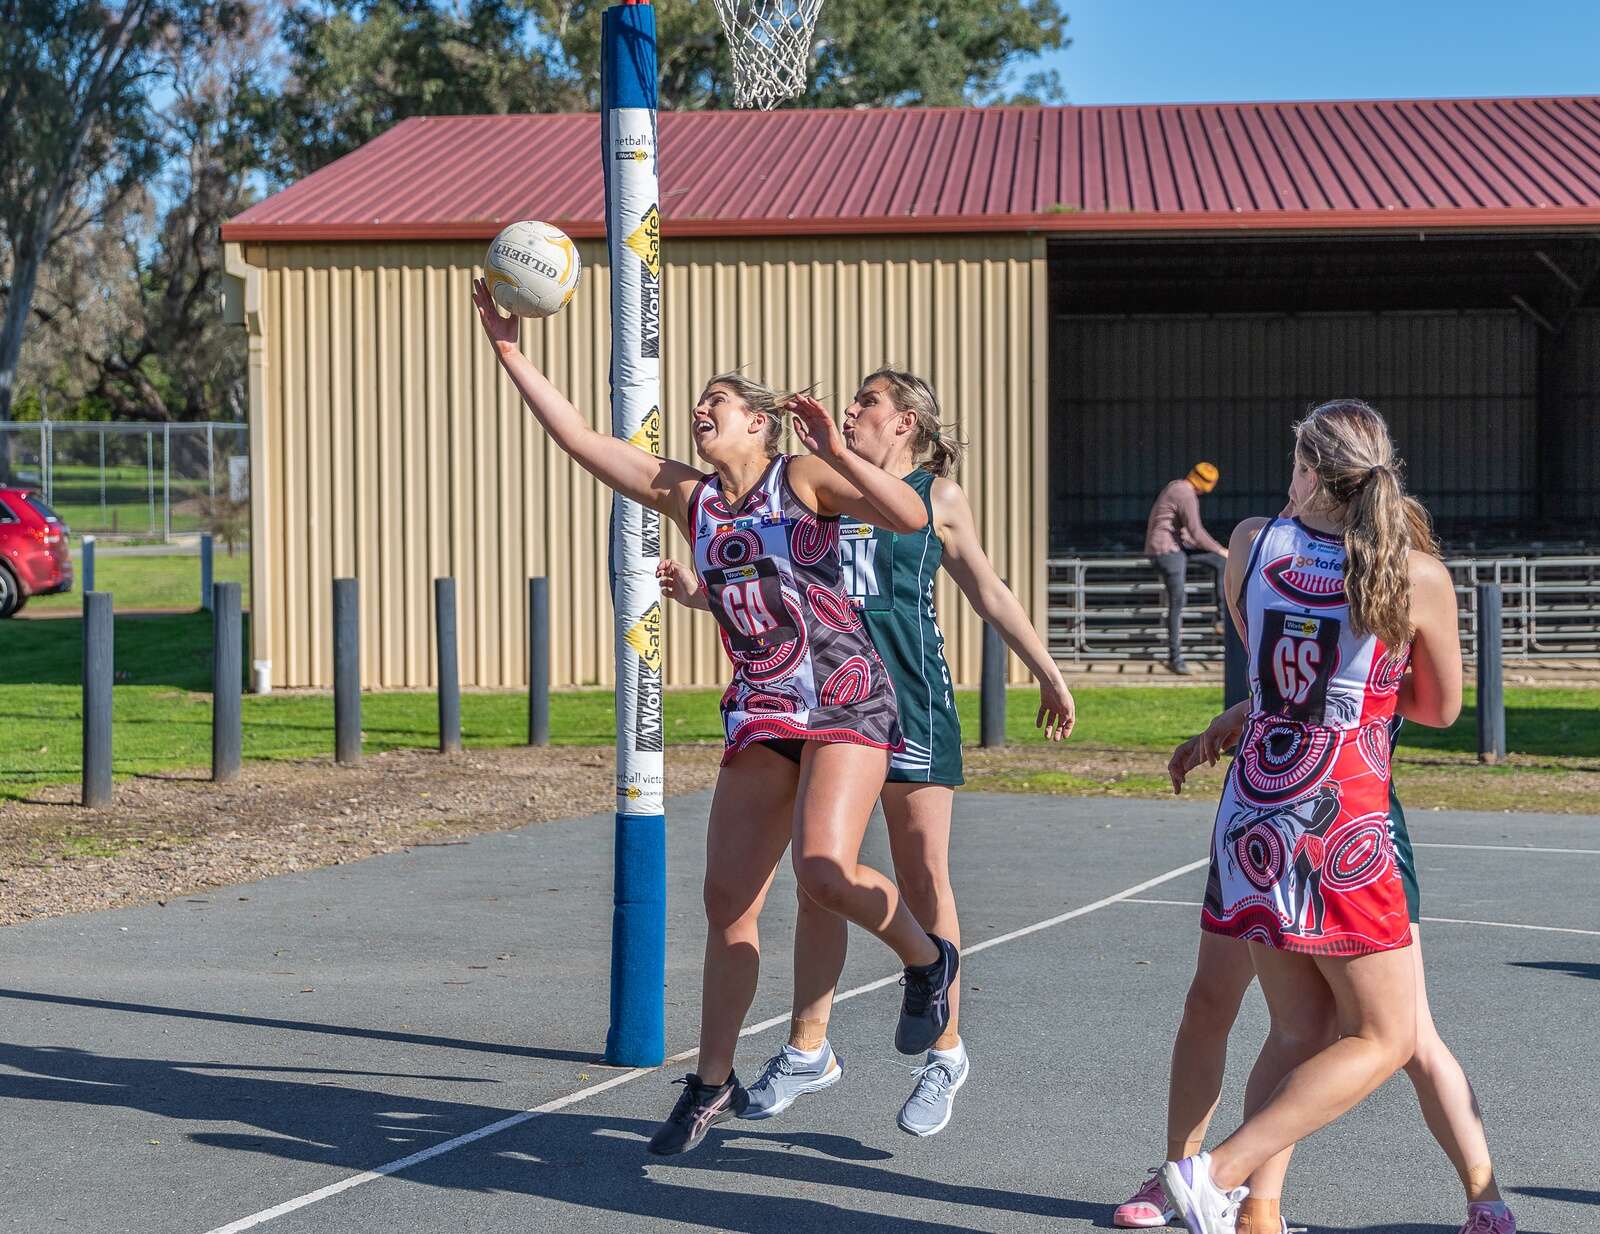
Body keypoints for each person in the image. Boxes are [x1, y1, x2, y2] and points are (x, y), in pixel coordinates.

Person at [471, 281, 960, 1159]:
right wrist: (510, 350)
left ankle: (926, 959)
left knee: (824, 867)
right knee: (727, 905)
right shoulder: (690, 496)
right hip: (765, 708)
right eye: (700, 403)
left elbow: (910, 513)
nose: (701, 410)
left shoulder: (803, 475)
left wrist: (835, 453)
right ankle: (711, 1082)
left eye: (719, 403)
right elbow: (582, 440)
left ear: (760, 424)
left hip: (847, 696)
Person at [659, 369, 1076, 1138]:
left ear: (907, 421)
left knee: (921, 872)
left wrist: (1047, 671)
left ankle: (943, 1051)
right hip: (821, 698)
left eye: (867, 404)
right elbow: (773, 578)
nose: (850, 412)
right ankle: (808, 1048)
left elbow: (986, 587)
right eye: (849, 404)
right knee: (823, 876)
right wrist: (702, 593)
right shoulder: (811, 482)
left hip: (906, 692)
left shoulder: (931, 496)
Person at [1153, 399, 1466, 1233]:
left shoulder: (1254, 543)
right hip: (1343, 816)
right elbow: (1438, 710)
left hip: (1257, 806)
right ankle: (1213, 1172)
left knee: (1298, 1028)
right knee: (1385, 1037)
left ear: (1310, 470)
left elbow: (1262, 665)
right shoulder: (1415, 574)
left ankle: (1255, 1209)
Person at [1112, 706, 1514, 1234]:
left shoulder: (1392, 638)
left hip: (1356, 824)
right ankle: (1210, 1188)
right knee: (1240, 1010)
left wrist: (1240, 713)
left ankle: (1484, 1198)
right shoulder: (1283, 630)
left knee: (1403, 1035)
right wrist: (1238, 713)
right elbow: (1290, 677)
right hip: (1268, 816)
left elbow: (1427, 700)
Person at [1146, 462, 1228, 675]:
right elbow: (1196, 531)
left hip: (1175, 547)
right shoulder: (1186, 494)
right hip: (1167, 551)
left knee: (1220, 564)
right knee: (1178, 601)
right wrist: (1220, 549)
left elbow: (1187, 532)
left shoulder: (1176, 487)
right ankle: (1175, 657)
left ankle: (1221, 619)